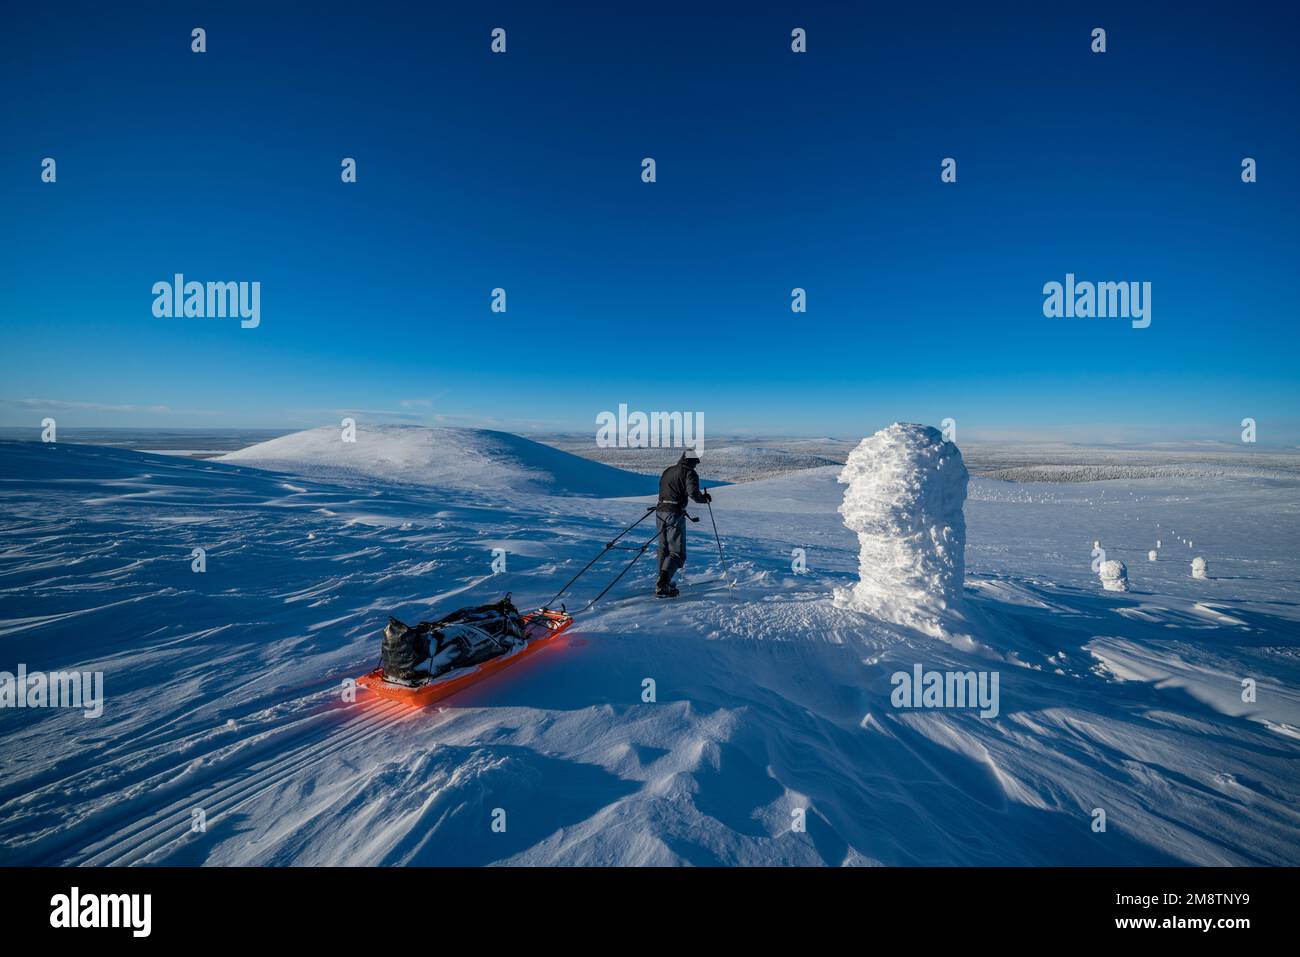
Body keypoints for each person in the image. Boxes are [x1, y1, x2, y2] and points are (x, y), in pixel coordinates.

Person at [655, 449, 711, 597]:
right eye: (695, 463)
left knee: (663, 548)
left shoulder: (668, 470)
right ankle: (663, 584)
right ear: (692, 461)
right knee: (677, 553)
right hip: (674, 513)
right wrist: (704, 499)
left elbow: (661, 488)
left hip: (660, 511)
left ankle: (662, 580)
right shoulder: (689, 473)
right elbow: (693, 493)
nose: (695, 466)